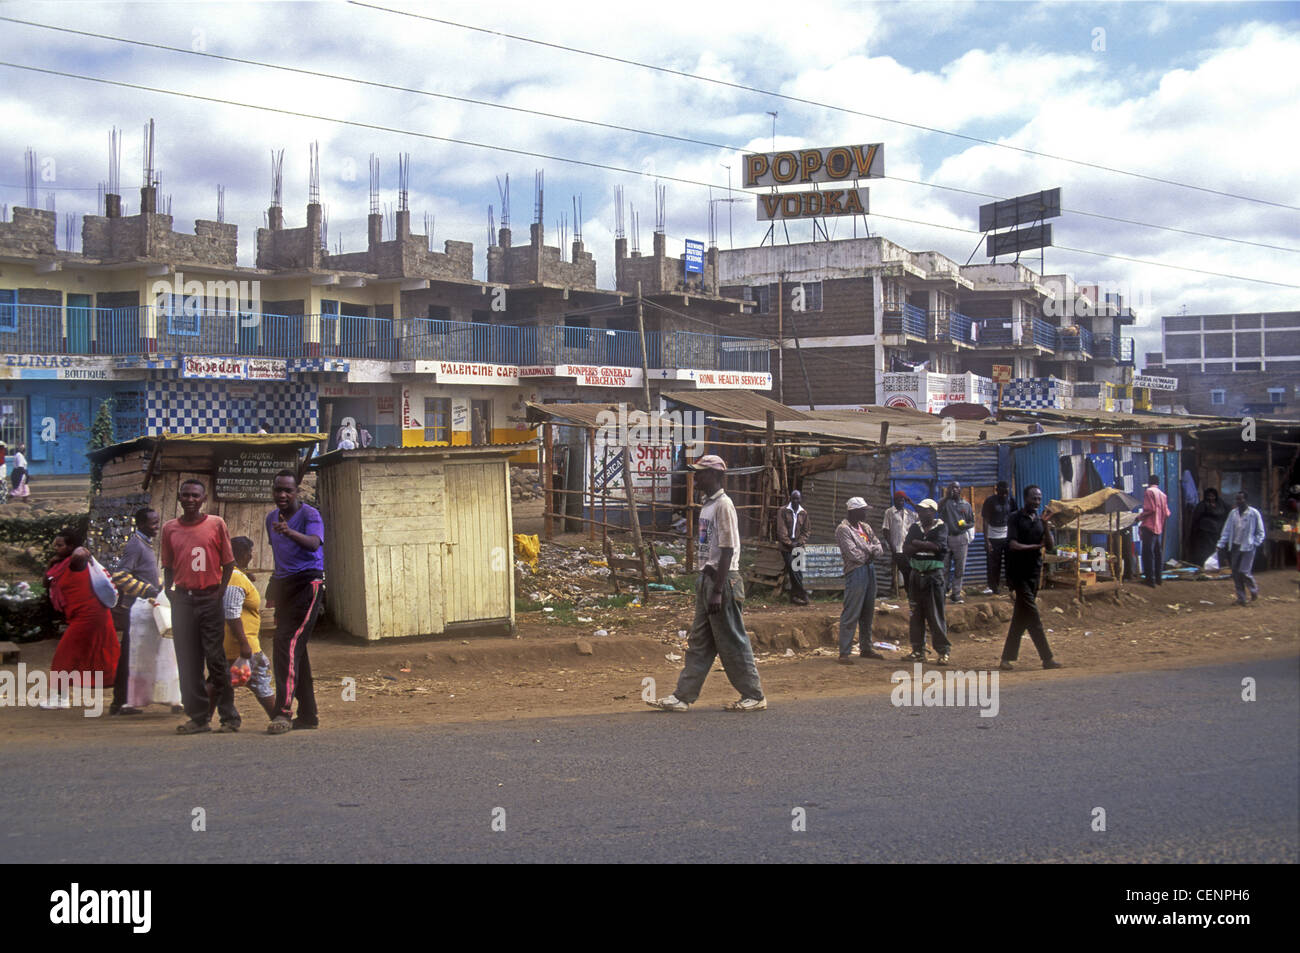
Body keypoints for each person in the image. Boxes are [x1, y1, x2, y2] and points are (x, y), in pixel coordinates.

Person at [649, 454, 766, 713]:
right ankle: (682, 696)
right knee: (700, 642)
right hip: (708, 580)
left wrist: (716, 591)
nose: (697, 477)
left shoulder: (724, 505)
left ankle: (754, 695)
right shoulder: (708, 505)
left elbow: (727, 550)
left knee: (733, 641)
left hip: (722, 582)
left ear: (714, 475)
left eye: (701, 473)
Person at [162, 478, 236, 734]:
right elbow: (168, 565)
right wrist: (168, 590)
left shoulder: (216, 524)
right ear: (179, 498)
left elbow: (228, 563)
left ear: (203, 499)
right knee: (188, 660)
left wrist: (220, 591)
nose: (190, 500)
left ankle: (229, 716)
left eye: (195, 495)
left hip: (209, 598)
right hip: (183, 599)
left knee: (215, 658)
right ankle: (198, 717)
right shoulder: (170, 528)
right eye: (186, 495)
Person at [266, 469, 327, 734]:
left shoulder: (310, 515)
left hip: (308, 583)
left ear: (296, 491)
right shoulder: (270, 519)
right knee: (295, 648)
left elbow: (314, 543)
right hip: (285, 586)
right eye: (278, 489)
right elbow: (280, 557)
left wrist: (289, 532)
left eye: (287, 490)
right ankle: (309, 714)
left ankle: (283, 712)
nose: (282, 495)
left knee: (286, 643)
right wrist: (274, 588)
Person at [41, 527, 120, 707]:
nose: (56, 548)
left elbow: (79, 554)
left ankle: (58, 698)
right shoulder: (60, 563)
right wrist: (52, 562)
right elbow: (46, 581)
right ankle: (125, 696)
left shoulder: (77, 561)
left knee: (64, 655)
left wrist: (79, 548)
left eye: (60, 545)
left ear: (72, 546)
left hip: (90, 615)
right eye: (55, 545)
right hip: (87, 615)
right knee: (105, 655)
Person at [108, 507, 171, 715]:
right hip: (135, 609)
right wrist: (147, 590)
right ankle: (120, 702)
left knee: (138, 654)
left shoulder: (145, 543)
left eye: (157, 521)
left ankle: (129, 700)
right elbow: (120, 576)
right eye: (153, 523)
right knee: (130, 655)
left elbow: (145, 574)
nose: (156, 526)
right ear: (141, 524)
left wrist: (159, 586)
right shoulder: (136, 545)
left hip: (145, 609)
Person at [999, 486, 1064, 671]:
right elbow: (1012, 545)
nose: (1036, 502)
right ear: (1025, 498)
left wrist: (1045, 525)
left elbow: (1050, 546)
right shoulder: (1014, 518)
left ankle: (1006, 658)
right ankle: (1047, 658)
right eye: (1033, 498)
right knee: (1033, 618)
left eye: (1039, 499)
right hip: (1018, 575)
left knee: (1021, 617)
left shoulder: (1040, 521)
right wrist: (1035, 547)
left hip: (1034, 575)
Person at [214, 537, 275, 720]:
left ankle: (202, 719)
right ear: (241, 554)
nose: (251, 556)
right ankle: (279, 717)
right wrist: (244, 644)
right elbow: (231, 613)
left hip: (230, 643)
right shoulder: (234, 578)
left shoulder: (230, 574)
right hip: (241, 643)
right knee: (260, 679)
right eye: (249, 552)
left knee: (219, 682)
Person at [834, 496, 884, 663]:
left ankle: (866, 647)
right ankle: (845, 652)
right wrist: (870, 551)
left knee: (868, 611)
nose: (865, 513)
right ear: (853, 511)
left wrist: (868, 550)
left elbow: (879, 548)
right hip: (855, 572)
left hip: (869, 570)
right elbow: (853, 555)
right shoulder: (843, 529)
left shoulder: (866, 527)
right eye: (863, 510)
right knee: (851, 611)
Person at [903, 499, 951, 665]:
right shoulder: (915, 527)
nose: (922, 513)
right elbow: (906, 549)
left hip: (933, 576)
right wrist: (925, 546)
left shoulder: (941, 527)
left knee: (935, 615)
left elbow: (939, 548)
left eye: (925, 510)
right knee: (916, 614)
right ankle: (917, 650)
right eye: (920, 510)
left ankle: (943, 652)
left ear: (933, 512)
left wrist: (917, 544)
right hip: (916, 575)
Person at [1217, 491, 1266, 606]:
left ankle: (1254, 591)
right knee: (1235, 573)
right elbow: (1227, 530)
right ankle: (1241, 598)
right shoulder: (1233, 514)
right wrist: (1221, 543)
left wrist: (1255, 543)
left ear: (1246, 500)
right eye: (1237, 499)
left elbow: (1261, 532)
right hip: (1235, 546)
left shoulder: (1254, 513)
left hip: (1248, 547)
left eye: (1240, 499)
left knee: (1244, 571)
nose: (1238, 502)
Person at [938, 481, 974, 603]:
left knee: (960, 568)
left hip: (961, 538)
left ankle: (956, 594)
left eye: (957, 487)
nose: (954, 490)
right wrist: (947, 496)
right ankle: (942, 593)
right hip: (946, 538)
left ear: (960, 490)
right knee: (944, 568)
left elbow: (971, 522)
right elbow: (937, 509)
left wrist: (966, 526)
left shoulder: (966, 505)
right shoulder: (945, 503)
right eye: (952, 487)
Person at [776, 489, 810, 605]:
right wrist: (790, 544)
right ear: (790, 499)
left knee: (798, 571)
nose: (796, 501)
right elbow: (781, 531)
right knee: (793, 567)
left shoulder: (803, 513)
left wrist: (800, 542)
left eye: (798, 498)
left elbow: (806, 531)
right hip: (787, 546)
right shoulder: (783, 511)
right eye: (793, 498)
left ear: (801, 499)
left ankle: (794, 597)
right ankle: (802, 594)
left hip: (798, 545)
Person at [881, 491, 917, 599]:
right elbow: (885, 529)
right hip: (897, 548)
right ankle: (909, 592)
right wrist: (891, 545)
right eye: (898, 500)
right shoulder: (889, 512)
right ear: (894, 500)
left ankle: (910, 593)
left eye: (903, 500)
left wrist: (912, 503)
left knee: (909, 571)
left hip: (908, 548)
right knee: (907, 570)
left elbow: (922, 515)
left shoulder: (909, 513)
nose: (901, 502)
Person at [980, 481, 1014, 595]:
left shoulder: (1011, 501)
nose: (1004, 496)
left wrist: (1014, 537)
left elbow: (1015, 517)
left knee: (1010, 562)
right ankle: (994, 586)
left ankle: (1011, 585)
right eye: (1002, 493)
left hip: (1007, 536)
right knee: (994, 564)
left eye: (1006, 493)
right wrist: (987, 541)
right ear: (997, 491)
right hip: (993, 537)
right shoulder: (990, 501)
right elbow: (985, 521)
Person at [1138, 475, 1171, 587]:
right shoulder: (1163, 495)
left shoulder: (1149, 492)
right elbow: (1167, 513)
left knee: (1148, 553)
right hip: (1158, 528)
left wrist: (1140, 516)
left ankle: (1150, 580)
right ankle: (1158, 578)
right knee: (1157, 553)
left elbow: (1150, 509)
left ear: (1149, 482)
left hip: (1149, 527)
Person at [1187, 488, 1229, 567]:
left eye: (1213, 496)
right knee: (1206, 551)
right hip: (1205, 534)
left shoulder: (1221, 504)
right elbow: (1196, 519)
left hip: (1218, 532)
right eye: (1209, 496)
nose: (1211, 498)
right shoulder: (1202, 505)